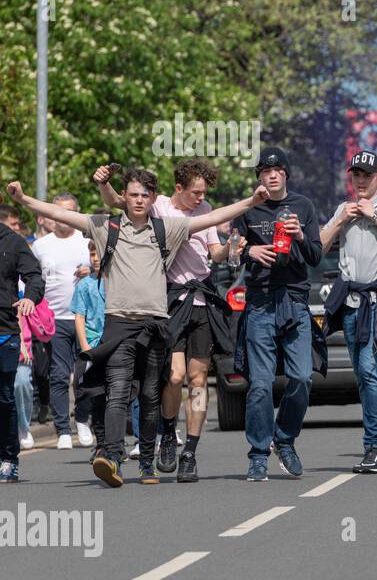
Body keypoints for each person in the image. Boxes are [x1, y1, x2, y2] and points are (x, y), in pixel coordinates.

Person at [9, 169, 266, 487]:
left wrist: (251, 201)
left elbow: (212, 218)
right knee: (117, 391)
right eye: (133, 195)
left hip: (156, 325)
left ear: (153, 199)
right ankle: (113, 457)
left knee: (149, 396)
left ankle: (147, 463)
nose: (139, 200)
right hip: (118, 324)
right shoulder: (106, 227)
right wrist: (22, 198)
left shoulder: (167, 229)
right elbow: (58, 212)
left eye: (145, 195)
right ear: (125, 198)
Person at [98, 158, 232, 479]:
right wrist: (103, 182)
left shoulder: (206, 208)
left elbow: (214, 254)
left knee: (198, 380)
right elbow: (118, 201)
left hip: (201, 298)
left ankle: (190, 451)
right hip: (170, 298)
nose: (201, 198)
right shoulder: (157, 205)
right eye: (195, 193)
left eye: (204, 193)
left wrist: (230, 248)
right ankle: (169, 432)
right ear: (178, 189)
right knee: (174, 376)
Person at [230, 147, 323, 482]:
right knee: (260, 385)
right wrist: (248, 250)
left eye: (277, 170)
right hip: (260, 302)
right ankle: (257, 454)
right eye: (264, 171)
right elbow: (230, 254)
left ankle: (284, 439)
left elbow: (315, 255)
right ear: (259, 177)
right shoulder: (248, 208)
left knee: (302, 377)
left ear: (285, 173)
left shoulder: (303, 206)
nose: (271, 175)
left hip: (295, 301)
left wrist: (298, 234)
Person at [319, 150, 377, 475]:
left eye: (366, 175)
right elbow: (317, 248)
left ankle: (376, 445)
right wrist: (341, 220)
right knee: (363, 375)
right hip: (350, 301)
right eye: (355, 175)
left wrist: (374, 216)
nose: (360, 180)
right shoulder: (342, 209)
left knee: (370, 368)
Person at [30, 192, 92, 451]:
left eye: (69, 212)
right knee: (57, 375)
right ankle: (62, 429)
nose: (63, 218)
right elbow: (32, 279)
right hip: (54, 319)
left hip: (85, 318)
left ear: (77, 213)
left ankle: (83, 420)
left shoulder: (87, 240)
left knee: (86, 374)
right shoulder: (40, 246)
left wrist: (91, 270)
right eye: (58, 212)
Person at [0, 205, 44, 484]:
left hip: (4, 330)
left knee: (4, 397)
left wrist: (30, 297)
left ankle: (8, 458)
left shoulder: (13, 242)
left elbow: (35, 276)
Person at [71, 240, 105, 456]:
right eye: (92, 253)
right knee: (96, 395)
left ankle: (117, 442)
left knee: (118, 397)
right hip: (92, 345)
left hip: (116, 344)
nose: (94, 258)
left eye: (98, 253)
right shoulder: (84, 284)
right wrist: (86, 348)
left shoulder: (119, 281)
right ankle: (102, 443)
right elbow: (79, 317)